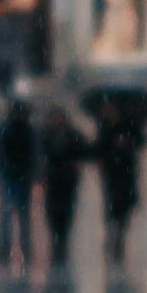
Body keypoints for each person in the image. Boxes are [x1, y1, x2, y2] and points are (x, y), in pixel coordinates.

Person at [38, 93, 94, 270]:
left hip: (68, 181)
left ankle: (62, 240)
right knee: (52, 212)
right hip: (53, 180)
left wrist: (77, 162)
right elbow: (38, 155)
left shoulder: (72, 135)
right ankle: (56, 240)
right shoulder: (45, 135)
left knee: (66, 212)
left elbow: (86, 151)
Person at [94, 92, 147, 258]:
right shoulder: (104, 125)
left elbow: (141, 141)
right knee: (111, 207)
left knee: (125, 208)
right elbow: (98, 148)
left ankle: (119, 237)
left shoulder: (131, 123)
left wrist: (128, 141)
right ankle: (112, 236)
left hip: (127, 173)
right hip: (111, 173)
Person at [0, 86, 39, 269]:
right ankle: (16, 248)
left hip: (17, 176)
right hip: (14, 176)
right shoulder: (15, 130)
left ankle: (13, 248)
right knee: (15, 215)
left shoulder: (18, 130)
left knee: (13, 214)